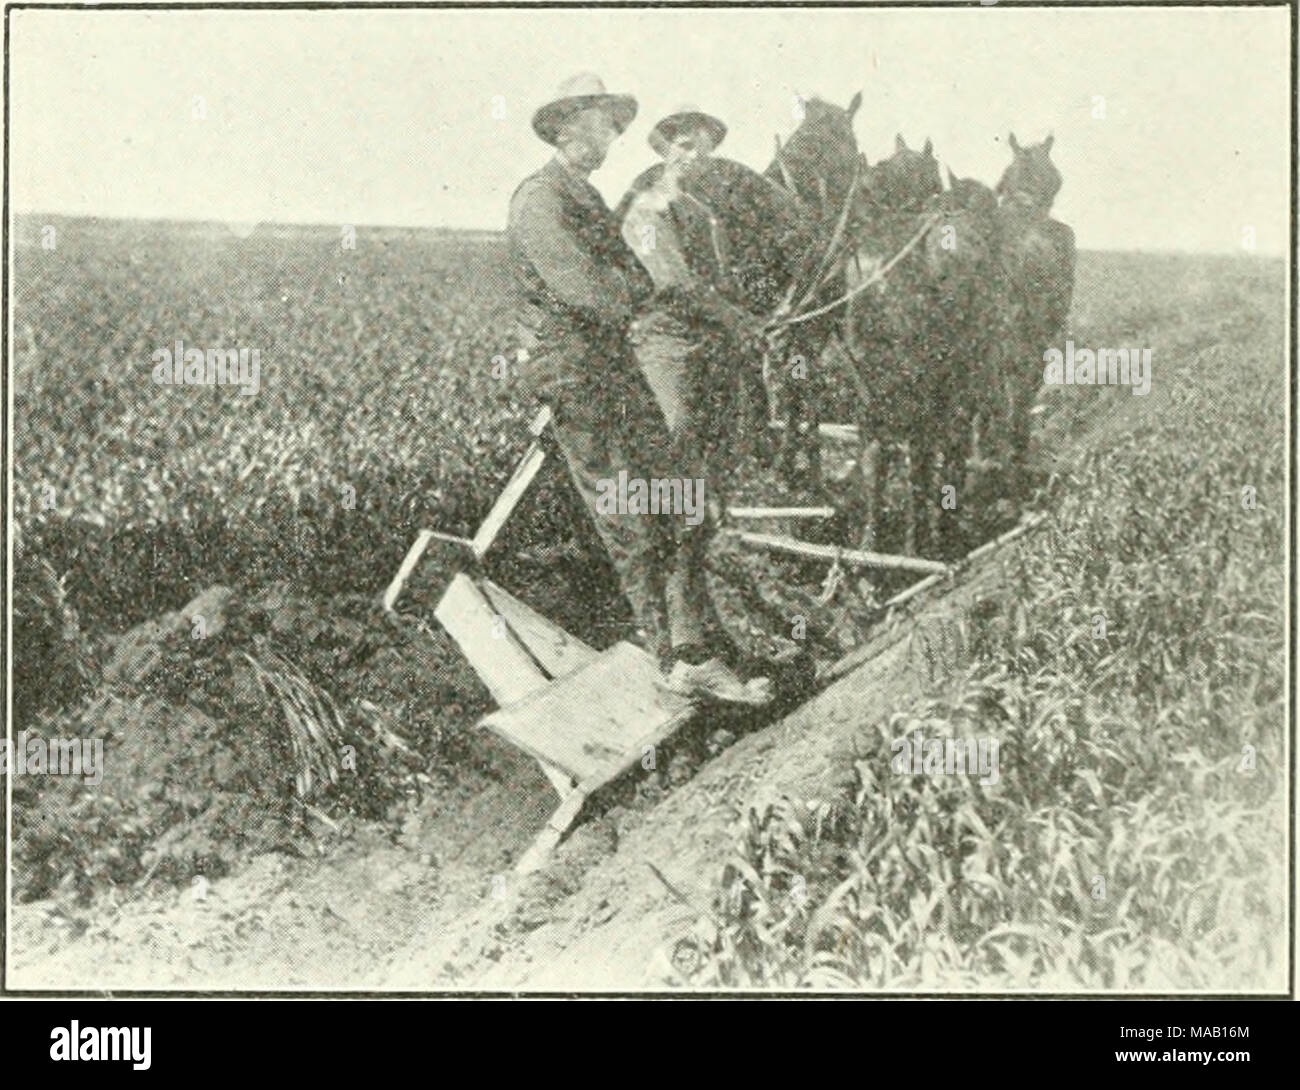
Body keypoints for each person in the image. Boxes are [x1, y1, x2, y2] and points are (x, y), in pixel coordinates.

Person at [507, 75, 770, 706]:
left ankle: (699, 644)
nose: (613, 136)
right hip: (575, 372)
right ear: (567, 126)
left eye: (615, 127)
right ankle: (674, 659)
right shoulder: (541, 199)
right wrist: (634, 291)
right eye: (603, 124)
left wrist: (630, 288)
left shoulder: (587, 196)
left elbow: (624, 275)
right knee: (630, 512)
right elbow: (591, 290)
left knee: (678, 493)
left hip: (611, 367)